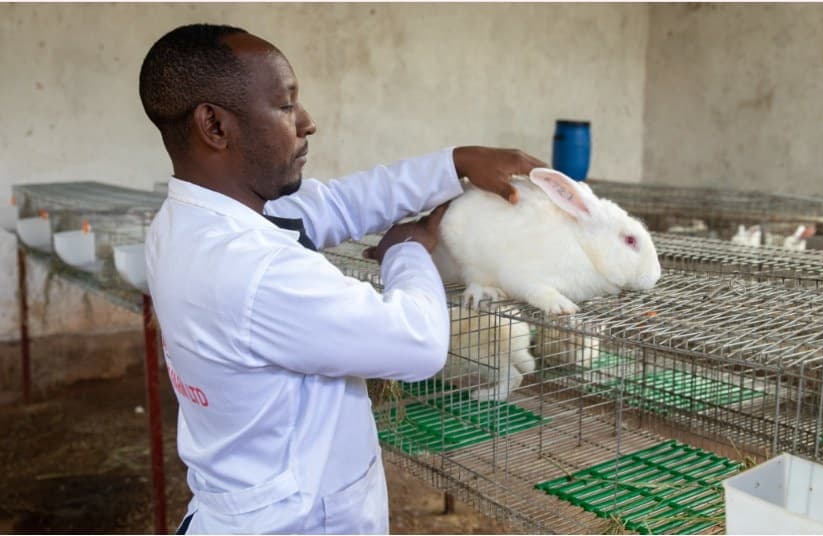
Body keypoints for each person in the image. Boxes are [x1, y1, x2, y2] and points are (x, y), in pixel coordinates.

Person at [138, 23, 545, 534]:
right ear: (215, 127)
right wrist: (408, 251)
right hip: (298, 521)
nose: (307, 122)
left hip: (251, 498)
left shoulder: (188, 221)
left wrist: (455, 162)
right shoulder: (252, 269)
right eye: (286, 106)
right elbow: (417, 343)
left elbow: (336, 204)